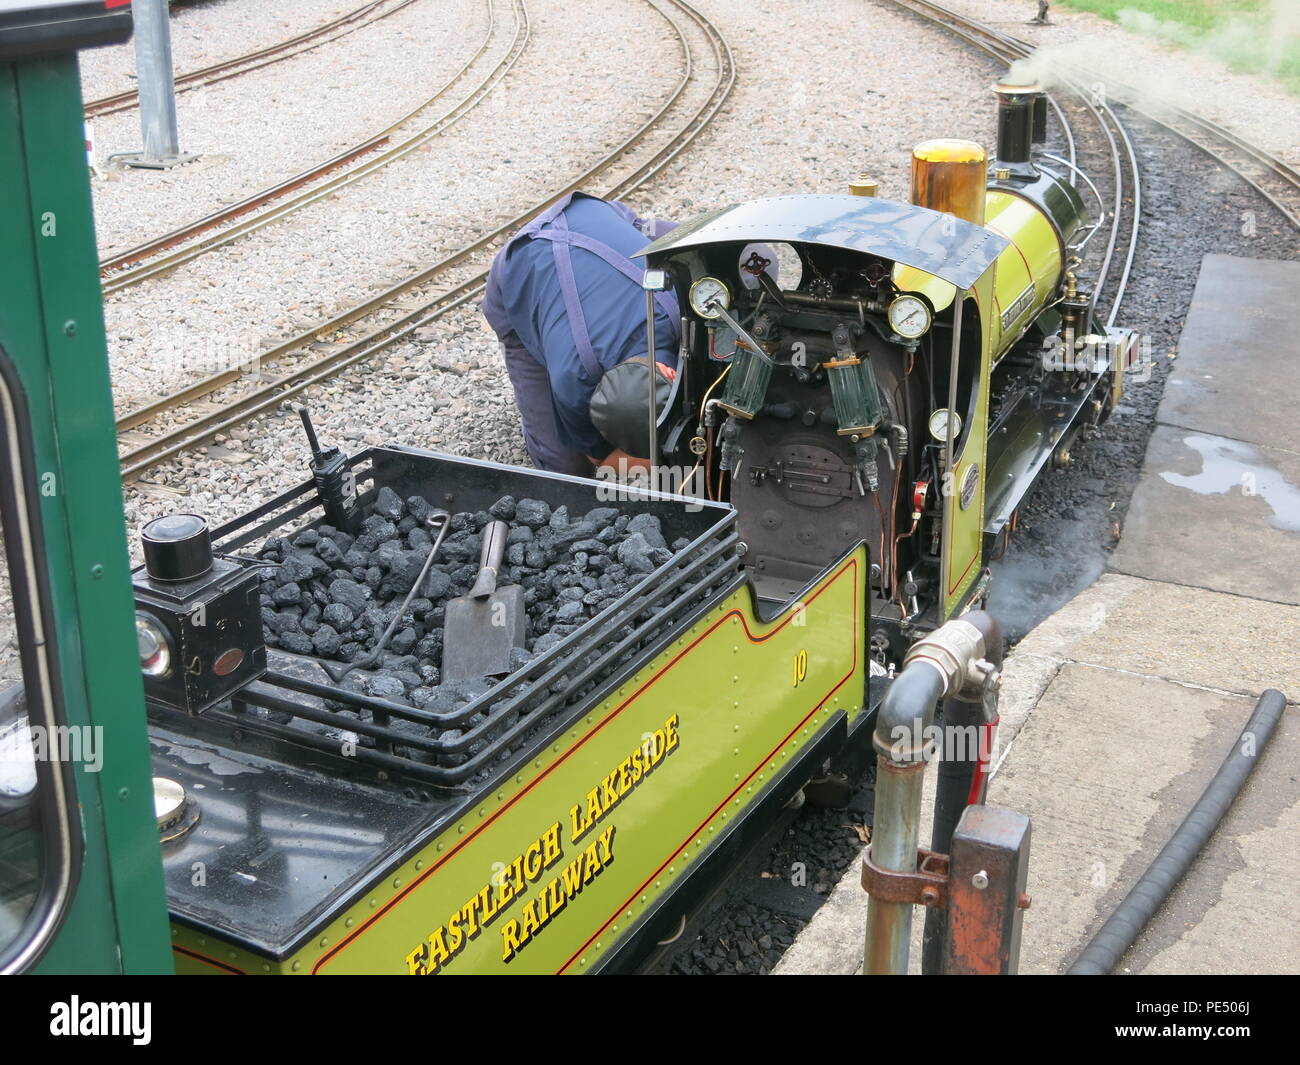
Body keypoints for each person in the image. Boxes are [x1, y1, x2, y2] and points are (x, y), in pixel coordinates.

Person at [482, 192, 681, 479]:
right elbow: (604, 466)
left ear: (670, 373)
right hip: (523, 264)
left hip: (600, 217)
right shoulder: (573, 380)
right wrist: (661, 462)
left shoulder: (678, 307)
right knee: (565, 471)